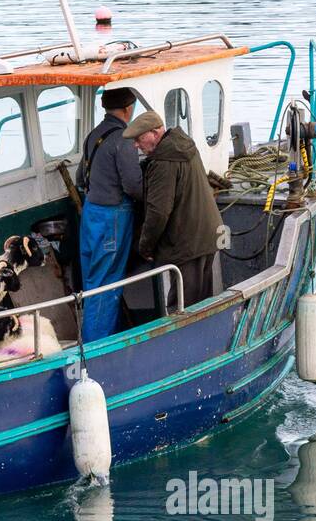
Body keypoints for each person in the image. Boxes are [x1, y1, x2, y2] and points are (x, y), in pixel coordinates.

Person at [122, 109, 223, 308]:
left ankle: (187, 339)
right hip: (209, 234)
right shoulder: (185, 146)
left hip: (186, 243)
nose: (136, 145)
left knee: (183, 306)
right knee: (202, 299)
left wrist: (145, 246)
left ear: (155, 133)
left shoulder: (163, 162)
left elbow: (158, 212)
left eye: (139, 139)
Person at [76, 88, 146, 341]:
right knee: (107, 284)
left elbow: (80, 178)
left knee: (93, 281)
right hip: (113, 218)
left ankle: (96, 337)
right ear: (129, 109)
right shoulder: (124, 138)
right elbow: (133, 185)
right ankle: (98, 348)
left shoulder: (93, 135)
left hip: (91, 215)